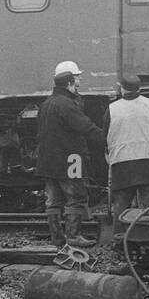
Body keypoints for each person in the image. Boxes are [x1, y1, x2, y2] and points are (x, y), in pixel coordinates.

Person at [36, 60, 105, 247]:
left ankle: (57, 238)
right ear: (69, 83)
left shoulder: (47, 104)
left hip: (47, 161)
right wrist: (106, 138)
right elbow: (85, 127)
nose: (79, 83)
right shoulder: (67, 104)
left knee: (53, 201)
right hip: (71, 159)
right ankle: (73, 236)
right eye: (77, 79)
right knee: (77, 196)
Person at [104, 74, 149, 222]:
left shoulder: (112, 109)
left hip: (122, 163)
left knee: (121, 206)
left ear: (122, 88)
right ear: (140, 88)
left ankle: (120, 240)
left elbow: (105, 135)